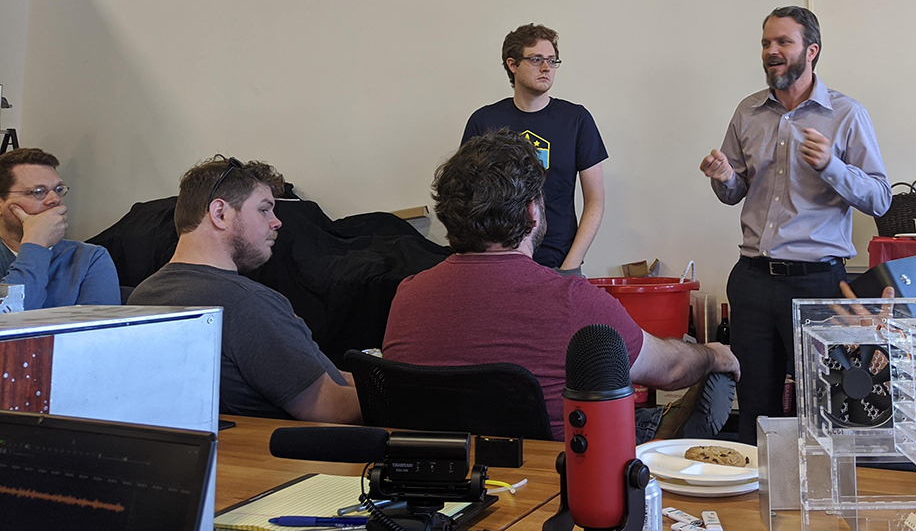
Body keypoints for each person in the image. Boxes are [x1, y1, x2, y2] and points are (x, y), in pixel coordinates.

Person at [384, 130, 739, 442]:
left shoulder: (407, 295)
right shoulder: (572, 300)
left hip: (439, 487)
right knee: (711, 381)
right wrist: (714, 354)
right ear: (531, 212)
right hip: (555, 484)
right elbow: (671, 371)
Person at [700, 6, 891, 443]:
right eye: (766, 43)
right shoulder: (748, 111)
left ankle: (819, 507)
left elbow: (881, 197)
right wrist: (726, 178)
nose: (772, 51)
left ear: (812, 50)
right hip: (752, 279)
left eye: (783, 42)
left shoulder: (846, 114)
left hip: (817, 284)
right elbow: (736, 192)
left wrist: (831, 167)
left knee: (825, 407)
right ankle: (750, 503)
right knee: (754, 408)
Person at [129, 155, 361, 424]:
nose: (277, 222)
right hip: (279, 460)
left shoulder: (141, 297)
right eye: (264, 209)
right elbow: (331, 409)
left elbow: (325, 375)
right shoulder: (245, 303)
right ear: (220, 214)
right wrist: (411, 394)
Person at [461, 24, 606, 274]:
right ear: (512, 64)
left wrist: (570, 265)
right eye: (536, 59)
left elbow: (595, 200)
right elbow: (465, 196)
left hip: (559, 260)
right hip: (496, 263)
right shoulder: (483, 121)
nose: (546, 67)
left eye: (552, 60)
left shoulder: (576, 120)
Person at [0, 147, 120, 311]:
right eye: (38, 192)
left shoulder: (90, 258)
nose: (54, 199)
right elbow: (8, 318)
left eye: (58, 190)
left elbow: (99, 333)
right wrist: (36, 244)